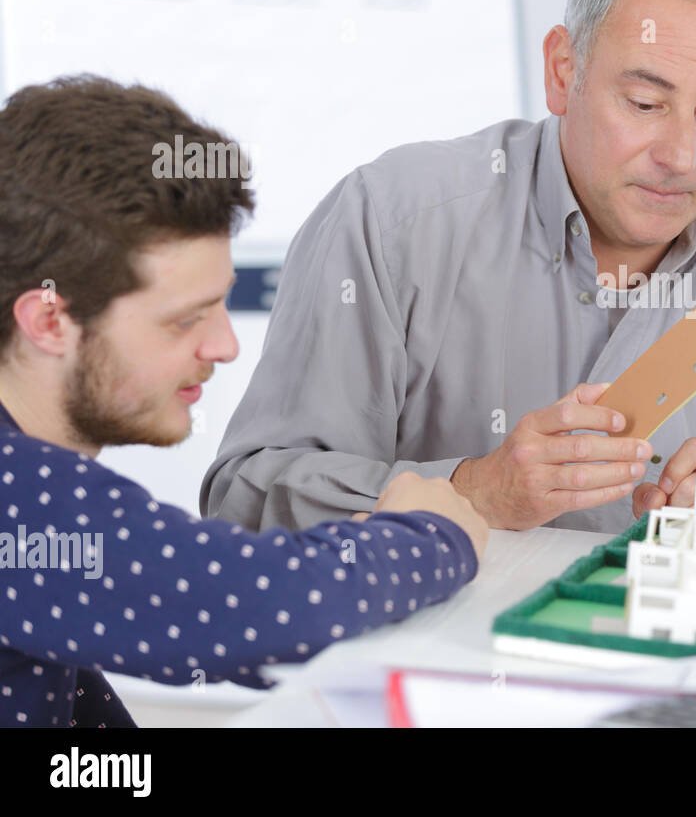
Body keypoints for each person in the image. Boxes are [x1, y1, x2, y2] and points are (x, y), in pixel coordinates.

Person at [202, 0, 696, 536]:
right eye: (644, 103)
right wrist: (473, 492)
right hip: (429, 680)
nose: (681, 156)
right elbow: (243, 501)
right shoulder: (391, 224)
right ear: (563, 72)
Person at [0, 75, 488, 727]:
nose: (226, 346)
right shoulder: (20, 500)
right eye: (184, 320)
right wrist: (430, 535)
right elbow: (249, 609)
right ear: (50, 320)